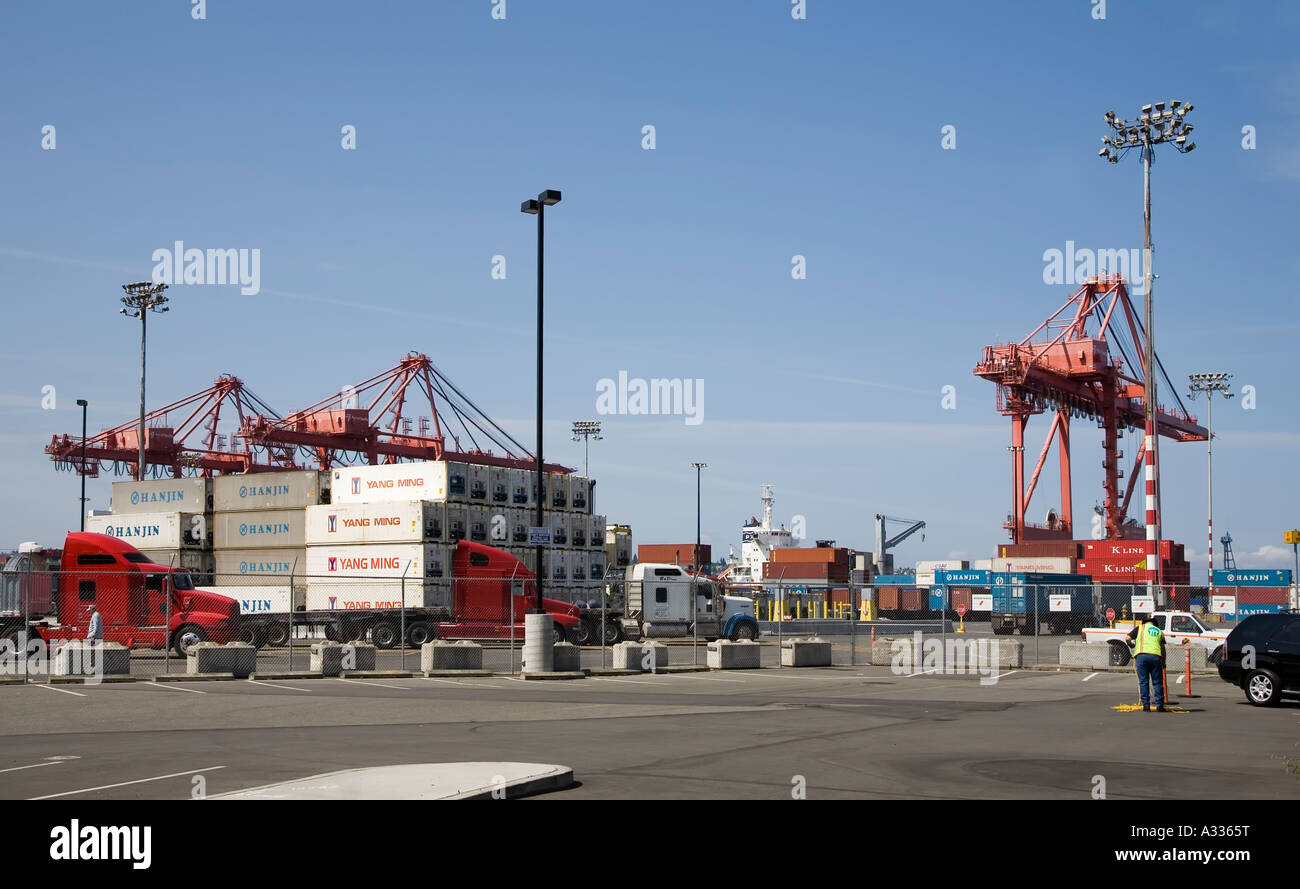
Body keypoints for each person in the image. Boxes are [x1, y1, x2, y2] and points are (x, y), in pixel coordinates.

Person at [1128, 613, 1165, 712]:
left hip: (1141, 656)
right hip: (1155, 656)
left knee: (1144, 681)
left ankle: (1146, 705)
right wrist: (1164, 662)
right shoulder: (1159, 632)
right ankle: (1159, 705)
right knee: (1157, 682)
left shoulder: (1140, 628)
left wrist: (1131, 645)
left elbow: (1127, 638)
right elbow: (1163, 648)